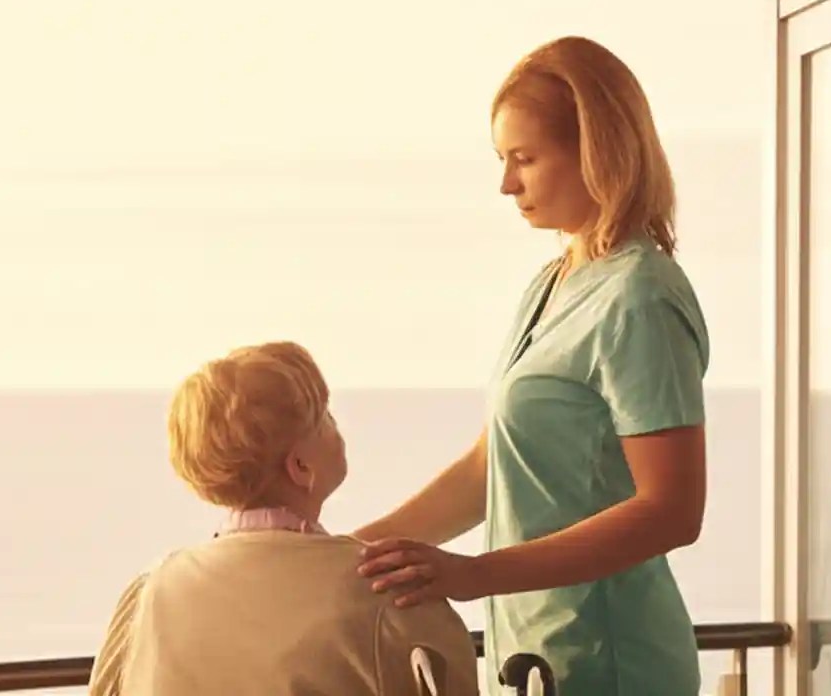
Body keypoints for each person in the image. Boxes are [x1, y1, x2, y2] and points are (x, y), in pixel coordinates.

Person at [353, 36, 709, 695]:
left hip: (613, 665)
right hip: (538, 664)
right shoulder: (553, 282)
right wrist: (347, 555)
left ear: (596, 152)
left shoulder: (638, 298)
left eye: (525, 158)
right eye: (502, 159)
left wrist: (471, 574)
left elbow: (673, 511)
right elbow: (491, 466)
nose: (506, 183)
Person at [87, 341, 479, 696]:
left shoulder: (151, 592)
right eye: (324, 417)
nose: (336, 425)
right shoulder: (389, 590)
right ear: (301, 467)